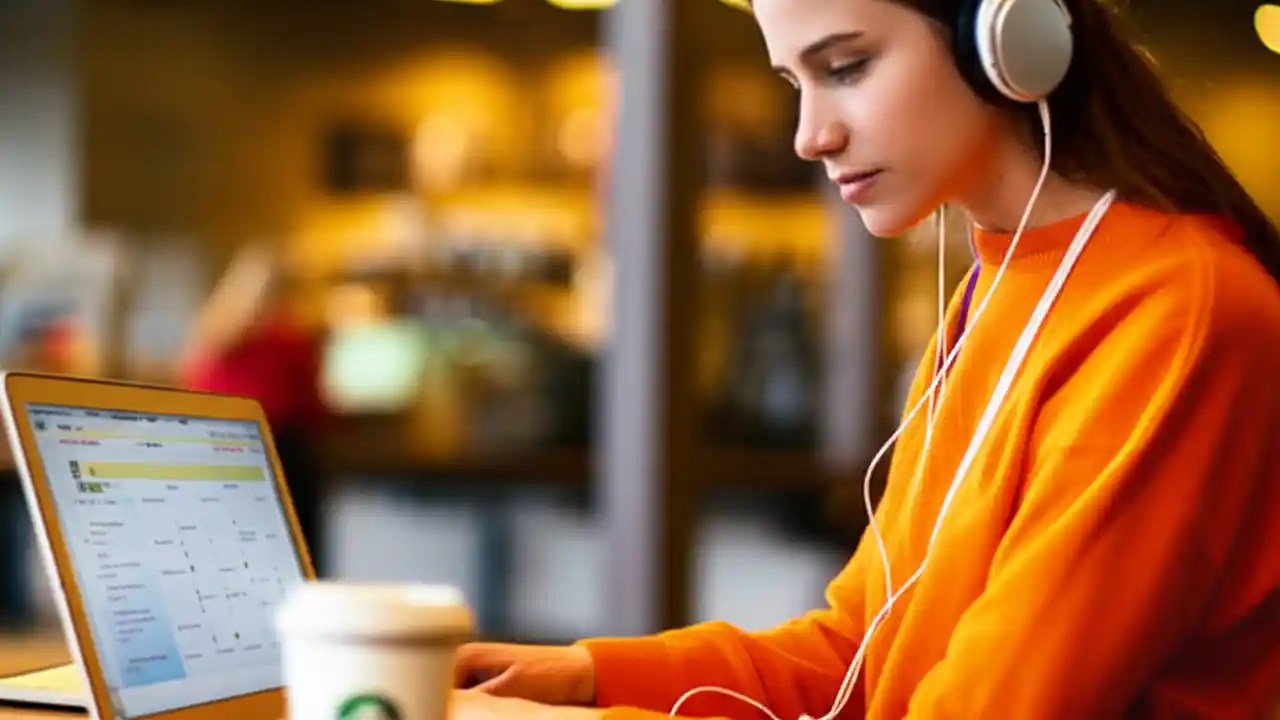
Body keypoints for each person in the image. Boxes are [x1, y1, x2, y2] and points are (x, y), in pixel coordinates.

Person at [453, 0, 1280, 718]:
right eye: (795, 85)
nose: (811, 136)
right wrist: (585, 678)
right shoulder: (999, 293)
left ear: (1004, 40)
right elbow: (861, 658)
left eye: (845, 67)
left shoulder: (1179, 313)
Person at [180, 243, 331, 573]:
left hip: (213, 455)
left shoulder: (211, 332)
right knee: (294, 560)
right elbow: (312, 408)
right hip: (280, 454)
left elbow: (192, 387)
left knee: (230, 558)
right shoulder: (290, 338)